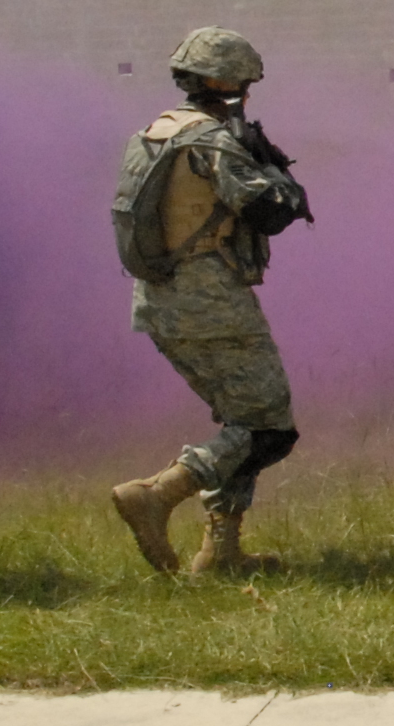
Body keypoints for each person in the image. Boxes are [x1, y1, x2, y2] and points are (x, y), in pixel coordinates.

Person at [105, 28, 308, 577]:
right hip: (210, 302)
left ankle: (220, 554)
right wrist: (279, 178)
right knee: (270, 428)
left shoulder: (151, 133)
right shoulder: (212, 141)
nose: (247, 91)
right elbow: (266, 210)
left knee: (241, 425)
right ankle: (158, 493)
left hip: (158, 301)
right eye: (243, 82)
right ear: (223, 81)